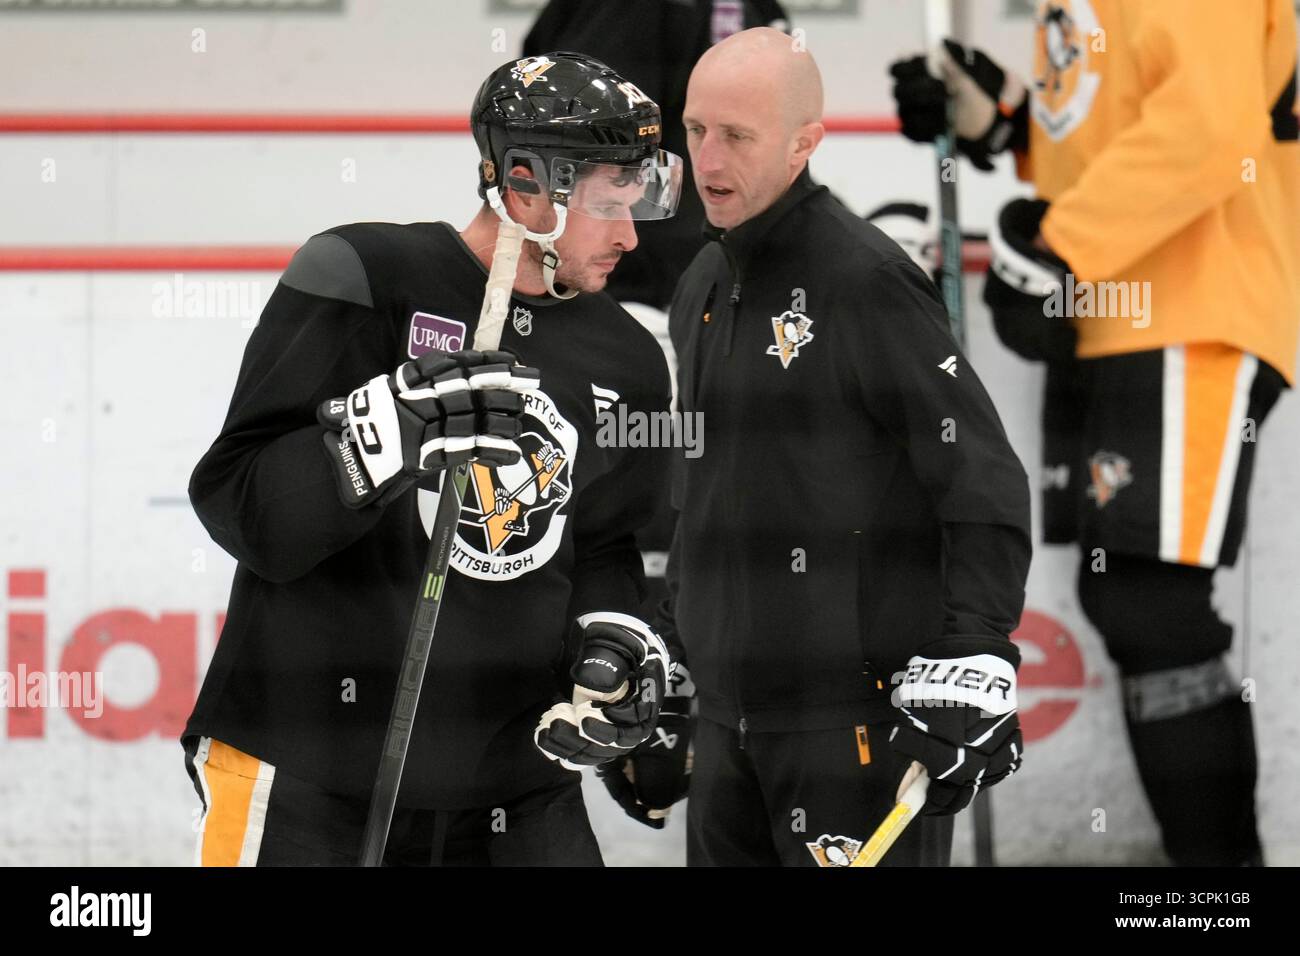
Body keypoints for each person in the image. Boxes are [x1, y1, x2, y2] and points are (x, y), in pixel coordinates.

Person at [182, 51, 683, 866]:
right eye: (609, 204)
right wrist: (382, 432)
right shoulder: (362, 276)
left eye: (639, 201)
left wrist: (613, 646)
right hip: (310, 773)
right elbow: (243, 509)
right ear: (529, 186)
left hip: (516, 789)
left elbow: (604, 547)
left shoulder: (628, 359)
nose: (631, 235)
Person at [599, 27, 1033, 866]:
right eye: (694, 130)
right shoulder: (700, 284)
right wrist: (679, 670)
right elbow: (705, 491)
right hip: (731, 733)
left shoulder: (864, 280)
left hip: (857, 732)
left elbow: (980, 475)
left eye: (738, 135)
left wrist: (976, 651)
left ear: (805, 143)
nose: (708, 158)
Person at [891, 0, 1298, 865]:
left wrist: (1063, 248)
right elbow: (1117, 122)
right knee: (1131, 603)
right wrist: (1001, 126)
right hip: (1118, 312)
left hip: (1191, 305)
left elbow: (1212, 126)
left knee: (1155, 604)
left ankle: (1222, 895)